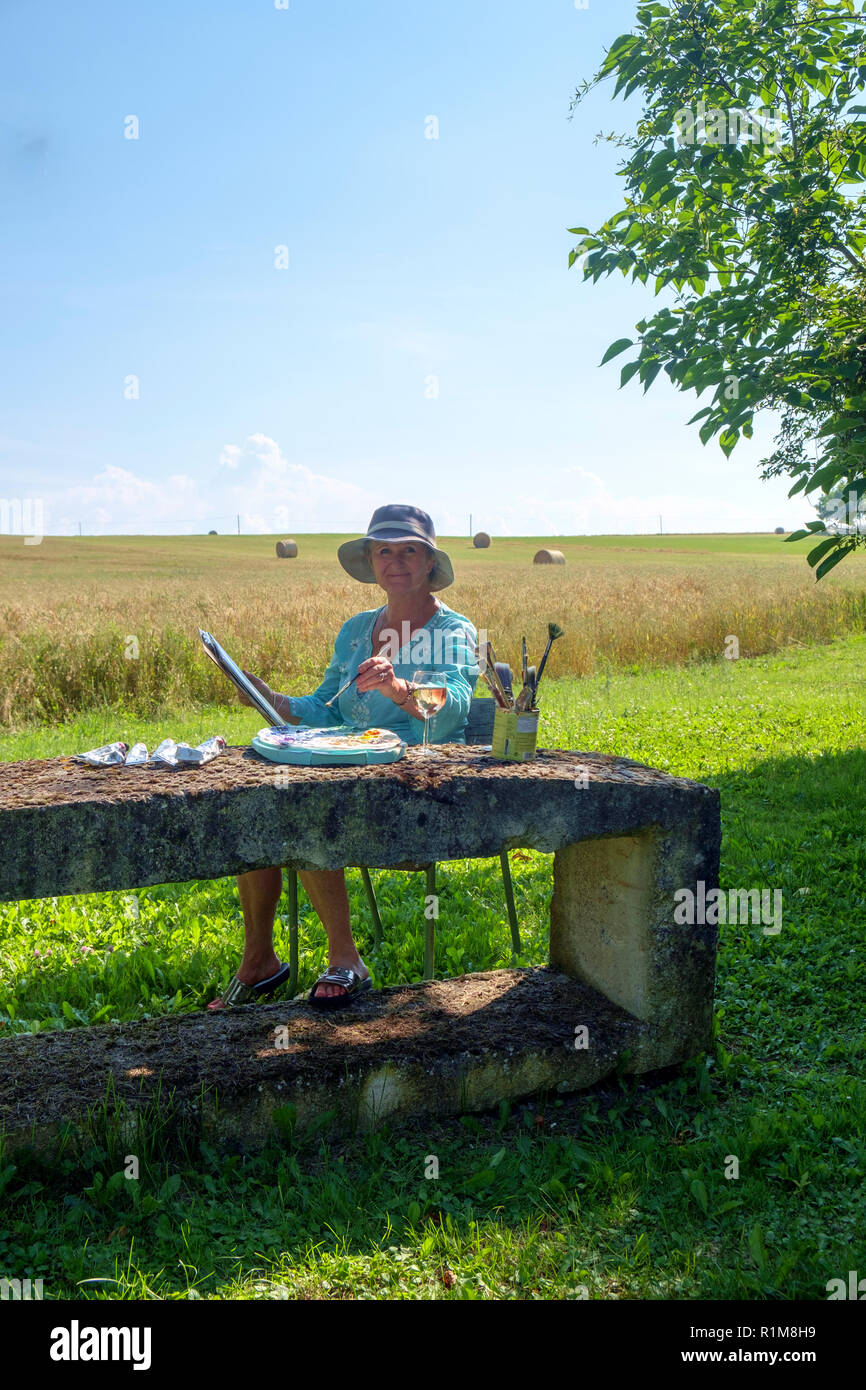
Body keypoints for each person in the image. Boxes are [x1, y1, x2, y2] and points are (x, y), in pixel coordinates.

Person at [208, 504, 480, 1012]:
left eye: (409, 551)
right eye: (385, 551)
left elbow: (451, 711)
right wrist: (271, 699)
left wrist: (400, 689)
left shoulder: (455, 631)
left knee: (307, 804)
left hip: (422, 781)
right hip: (351, 767)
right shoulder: (356, 630)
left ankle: (345, 958)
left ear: (428, 563)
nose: (395, 561)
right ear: (372, 562)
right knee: (259, 796)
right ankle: (259, 960)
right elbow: (325, 711)